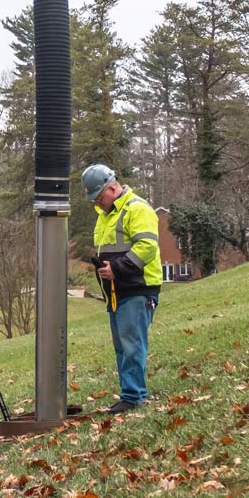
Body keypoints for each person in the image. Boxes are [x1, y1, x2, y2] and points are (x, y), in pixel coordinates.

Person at [83, 163, 162, 413]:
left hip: (137, 289)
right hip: (116, 291)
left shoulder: (137, 208)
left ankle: (134, 396)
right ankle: (129, 394)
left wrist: (116, 269)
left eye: (98, 198)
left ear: (112, 187)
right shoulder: (106, 215)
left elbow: (147, 247)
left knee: (132, 344)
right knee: (123, 346)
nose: (96, 204)